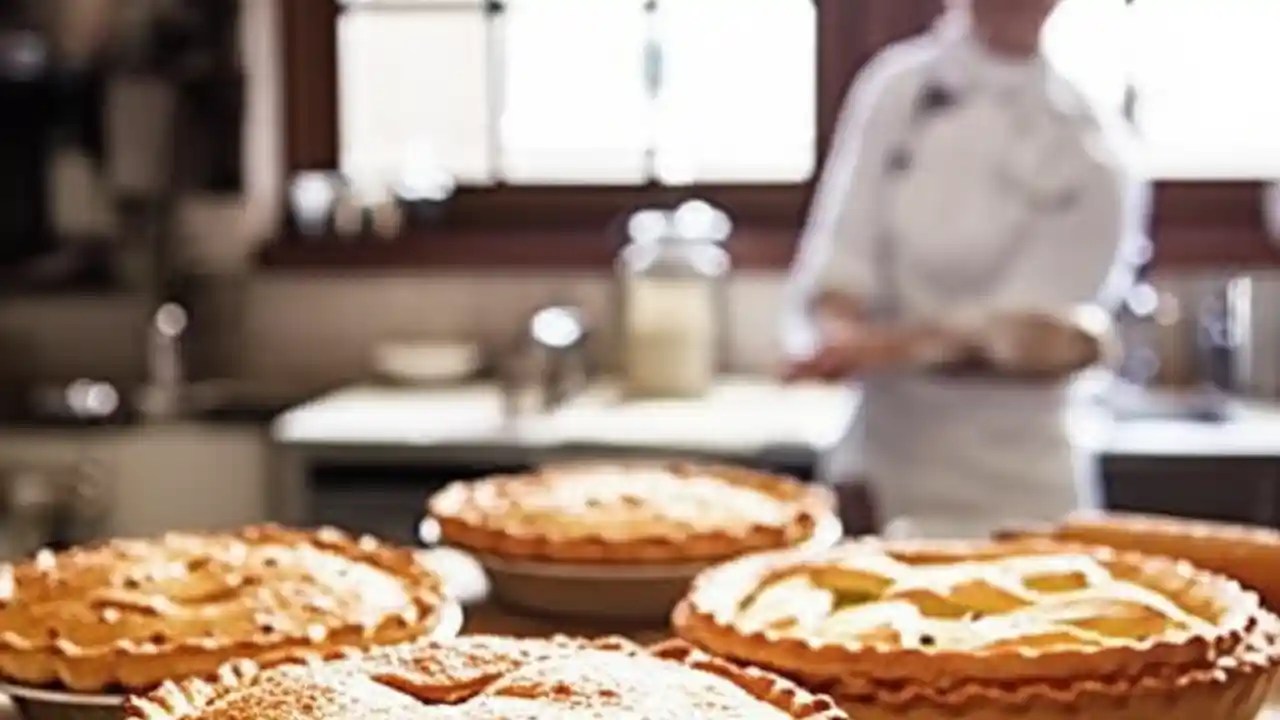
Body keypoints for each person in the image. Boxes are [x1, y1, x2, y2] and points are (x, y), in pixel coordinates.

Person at [785, 0, 1148, 539]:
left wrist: (880, 349)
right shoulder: (893, 90)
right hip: (887, 471)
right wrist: (833, 334)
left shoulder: (1095, 147)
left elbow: (1027, 335)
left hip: (1023, 486)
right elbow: (841, 260)